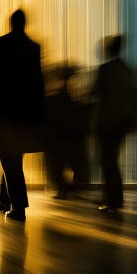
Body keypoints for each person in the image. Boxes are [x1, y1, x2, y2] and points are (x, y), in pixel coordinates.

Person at [0, 9, 45, 221]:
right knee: (13, 157)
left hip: (4, 112)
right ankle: (5, 199)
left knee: (9, 159)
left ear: (11, 23)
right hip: (24, 114)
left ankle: (18, 206)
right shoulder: (33, 48)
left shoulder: (0, 44)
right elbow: (38, 84)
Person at [92, 35, 137, 212]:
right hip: (121, 122)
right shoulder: (128, 70)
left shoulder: (105, 69)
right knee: (112, 160)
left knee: (107, 161)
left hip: (106, 122)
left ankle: (112, 199)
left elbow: (96, 92)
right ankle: (114, 198)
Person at [44, 63, 90, 199]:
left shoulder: (56, 96)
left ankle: (64, 189)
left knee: (57, 164)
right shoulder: (73, 95)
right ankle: (69, 189)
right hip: (70, 133)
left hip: (59, 134)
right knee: (72, 162)